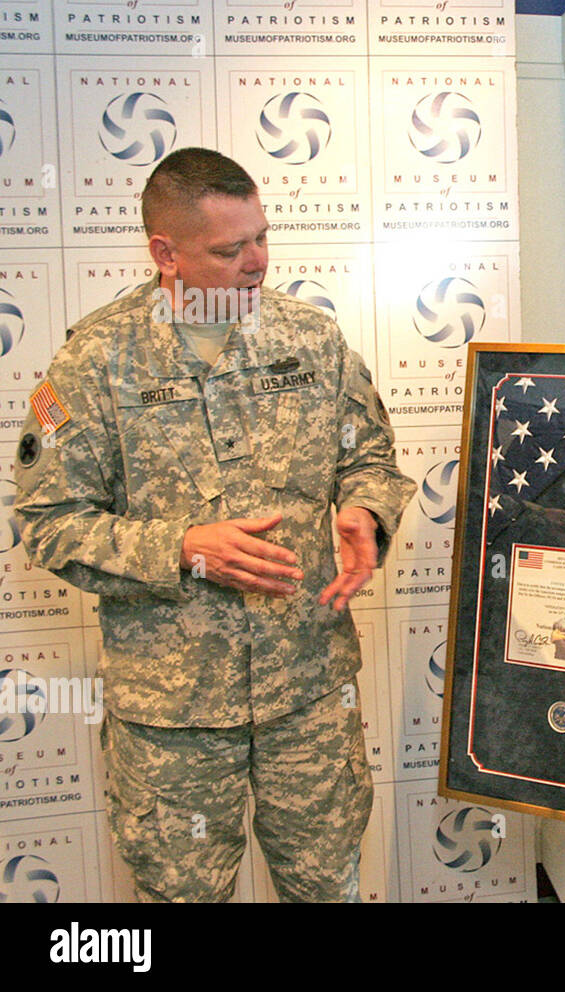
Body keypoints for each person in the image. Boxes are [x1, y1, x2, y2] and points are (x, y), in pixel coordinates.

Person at [13, 148, 417, 902]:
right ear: (164, 253)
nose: (257, 263)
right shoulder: (95, 363)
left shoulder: (312, 340)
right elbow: (48, 521)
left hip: (309, 695)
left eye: (262, 238)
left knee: (328, 886)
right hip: (174, 720)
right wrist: (181, 548)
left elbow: (369, 456)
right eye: (230, 250)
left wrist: (365, 509)